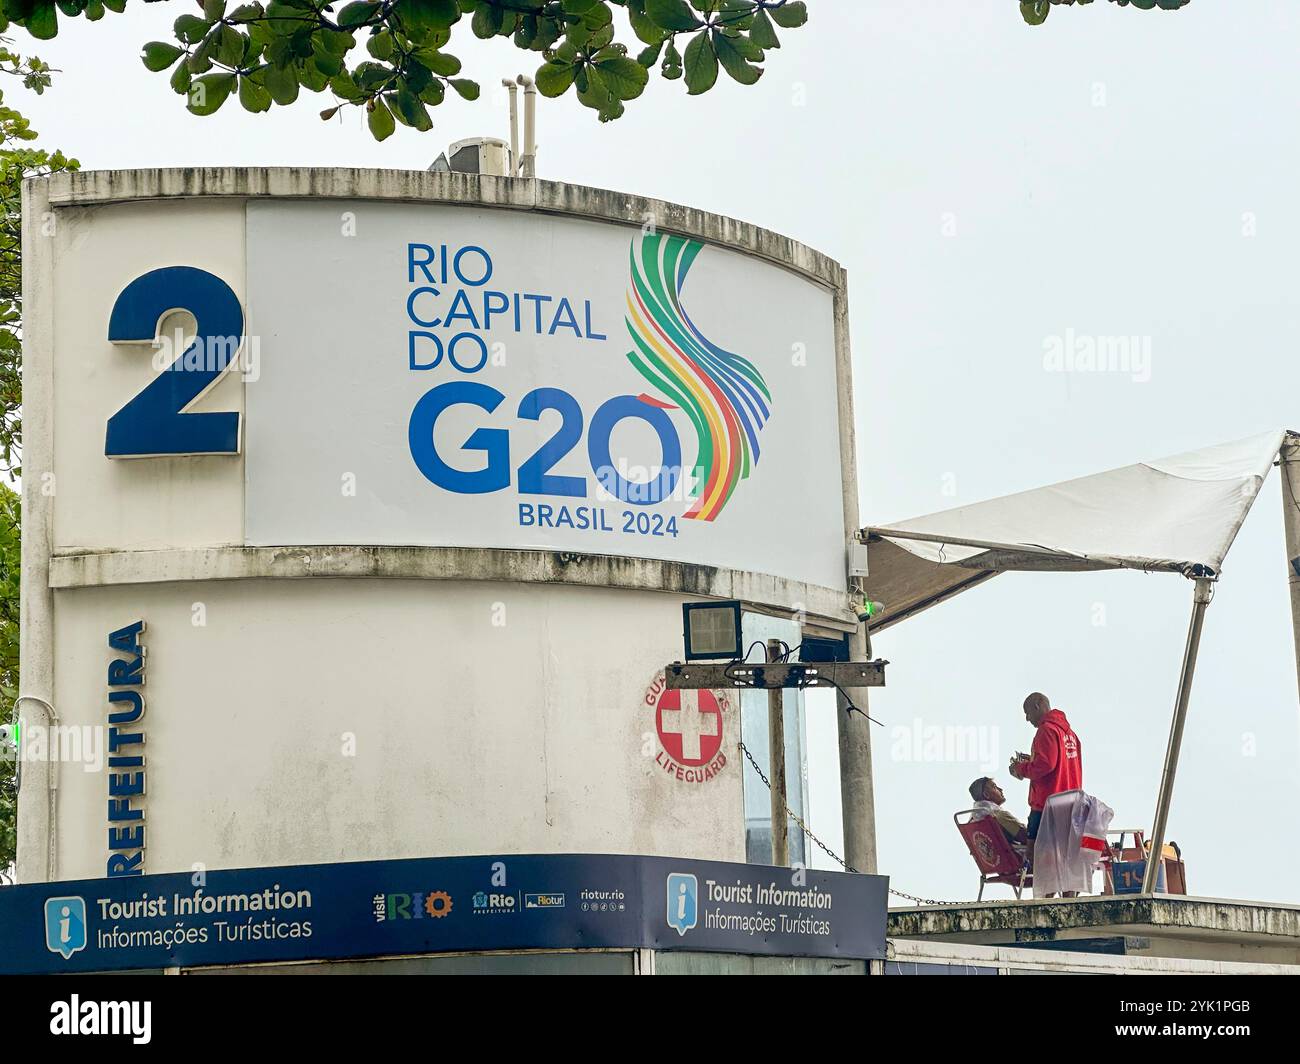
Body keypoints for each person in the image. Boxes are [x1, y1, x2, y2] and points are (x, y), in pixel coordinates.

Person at [1010, 691, 1083, 894]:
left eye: (1027, 713)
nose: (1027, 719)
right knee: (1065, 854)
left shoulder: (1046, 731)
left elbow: (1046, 765)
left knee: (1039, 854)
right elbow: (1060, 763)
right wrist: (1031, 760)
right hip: (1069, 803)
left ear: (1038, 705)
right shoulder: (1070, 734)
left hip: (1046, 804)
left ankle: (1046, 900)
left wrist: (1020, 769)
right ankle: (1069, 898)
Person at [967, 777, 1028, 847]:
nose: (1001, 789)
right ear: (986, 795)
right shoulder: (999, 816)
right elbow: (1028, 838)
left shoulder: (974, 825)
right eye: (994, 787)